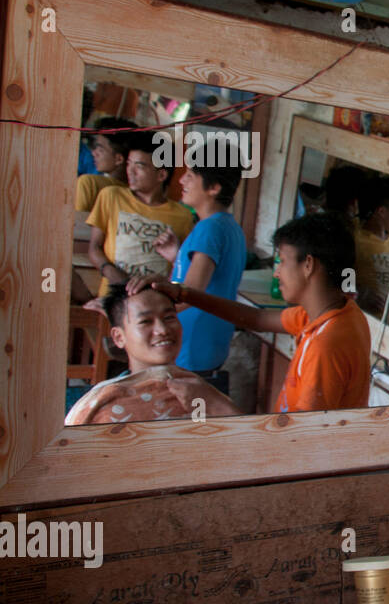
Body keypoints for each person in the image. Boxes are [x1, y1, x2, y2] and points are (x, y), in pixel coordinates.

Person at [132, 212, 371, 412]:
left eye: (282, 261)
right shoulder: (337, 312)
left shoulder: (326, 345)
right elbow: (257, 318)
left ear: (308, 264)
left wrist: (215, 403)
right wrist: (184, 293)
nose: (277, 273)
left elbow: (296, 442)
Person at [66, 283, 239, 425]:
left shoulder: (203, 396)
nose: (162, 330)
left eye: (169, 318)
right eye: (145, 321)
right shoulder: (102, 406)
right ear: (119, 337)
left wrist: (216, 405)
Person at [151, 148, 247, 385]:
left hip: (191, 346)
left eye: (191, 175)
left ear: (214, 188)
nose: (182, 180)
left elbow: (190, 292)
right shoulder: (228, 226)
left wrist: (146, 310)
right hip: (209, 344)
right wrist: (177, 256)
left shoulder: (209, 229)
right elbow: (207, 279)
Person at [86, 131, 194, 296]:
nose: (130, 171)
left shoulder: (183, 216)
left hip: (155, 300)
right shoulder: (111, 196)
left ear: (161, 174)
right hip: (113, 297)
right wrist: (111, 273)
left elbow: (183, 266)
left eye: (139, 166)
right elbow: (94, 247)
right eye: (129, 163)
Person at [353, 174, 389, 316]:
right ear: (382, 212)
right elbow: (342, 282)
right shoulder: (355, 241)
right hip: (373, 325)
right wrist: (359, 297)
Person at [74, 117, 137, 215]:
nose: (94, 153)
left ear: (119, 159)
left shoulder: (89, 184)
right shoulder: (137, 194)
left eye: (100, 149)